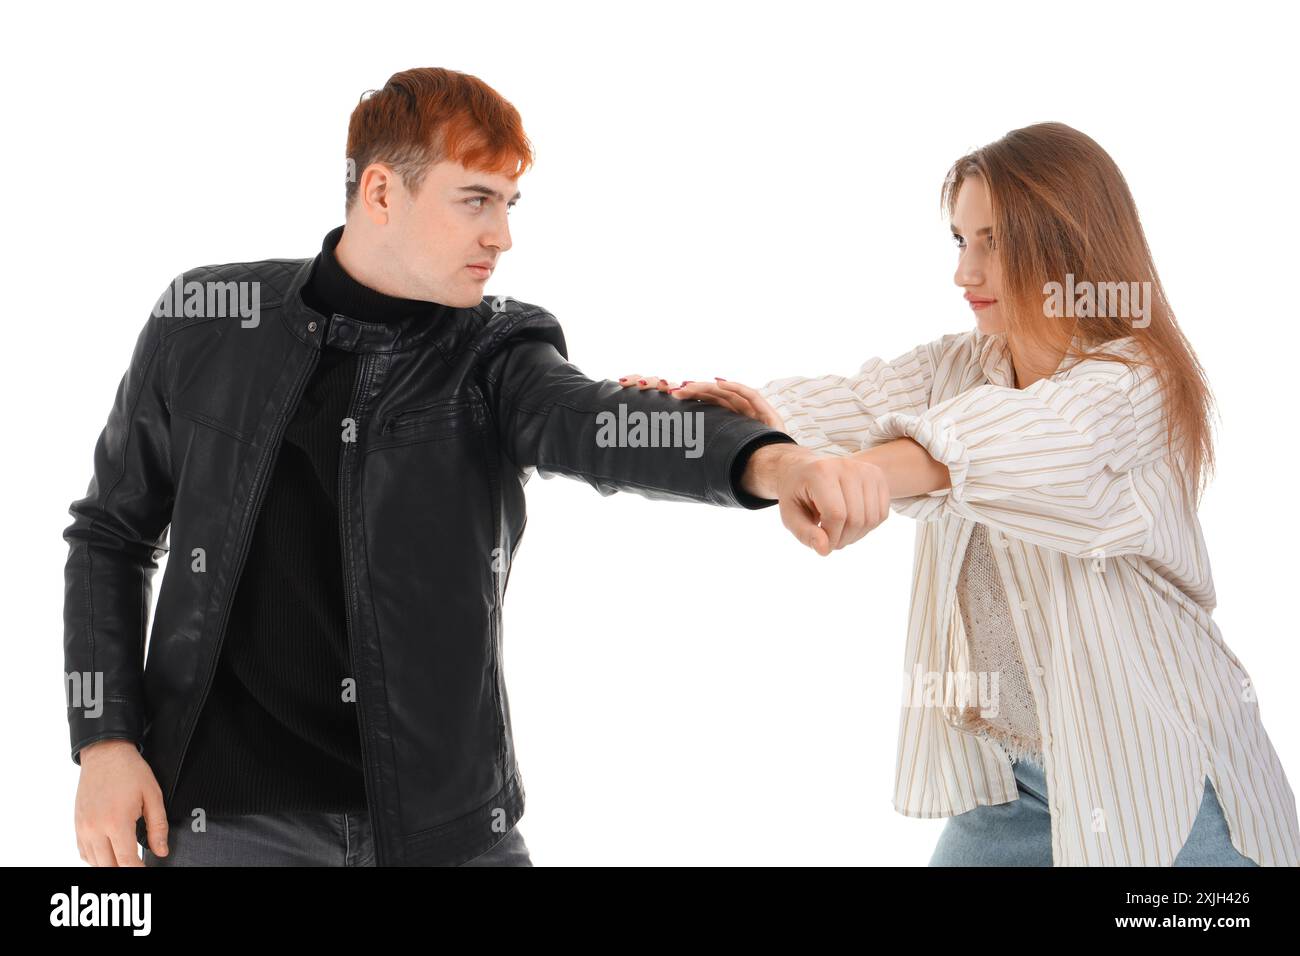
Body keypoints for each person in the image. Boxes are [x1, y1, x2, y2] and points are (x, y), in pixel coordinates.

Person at [64, 67, 886, 867]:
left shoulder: (492, 349)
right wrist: (104, 743)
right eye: (476, 201)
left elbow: (595, 421)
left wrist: (773, 461)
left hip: (445, 830)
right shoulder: (207, 319)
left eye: (509, 203)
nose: (502, 235)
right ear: (382, 193)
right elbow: (110, 534)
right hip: (225, 824)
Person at [622, 122, 1300, 866]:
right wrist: (705, 412)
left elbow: (1014, 442)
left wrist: (858, 475)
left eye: (994, 242)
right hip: (1015, 786)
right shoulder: (961, 366)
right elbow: (841, 404)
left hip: (1165, 784)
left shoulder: (1136, 381)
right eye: (959, 240)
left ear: (1069, 247)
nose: (964, 272)